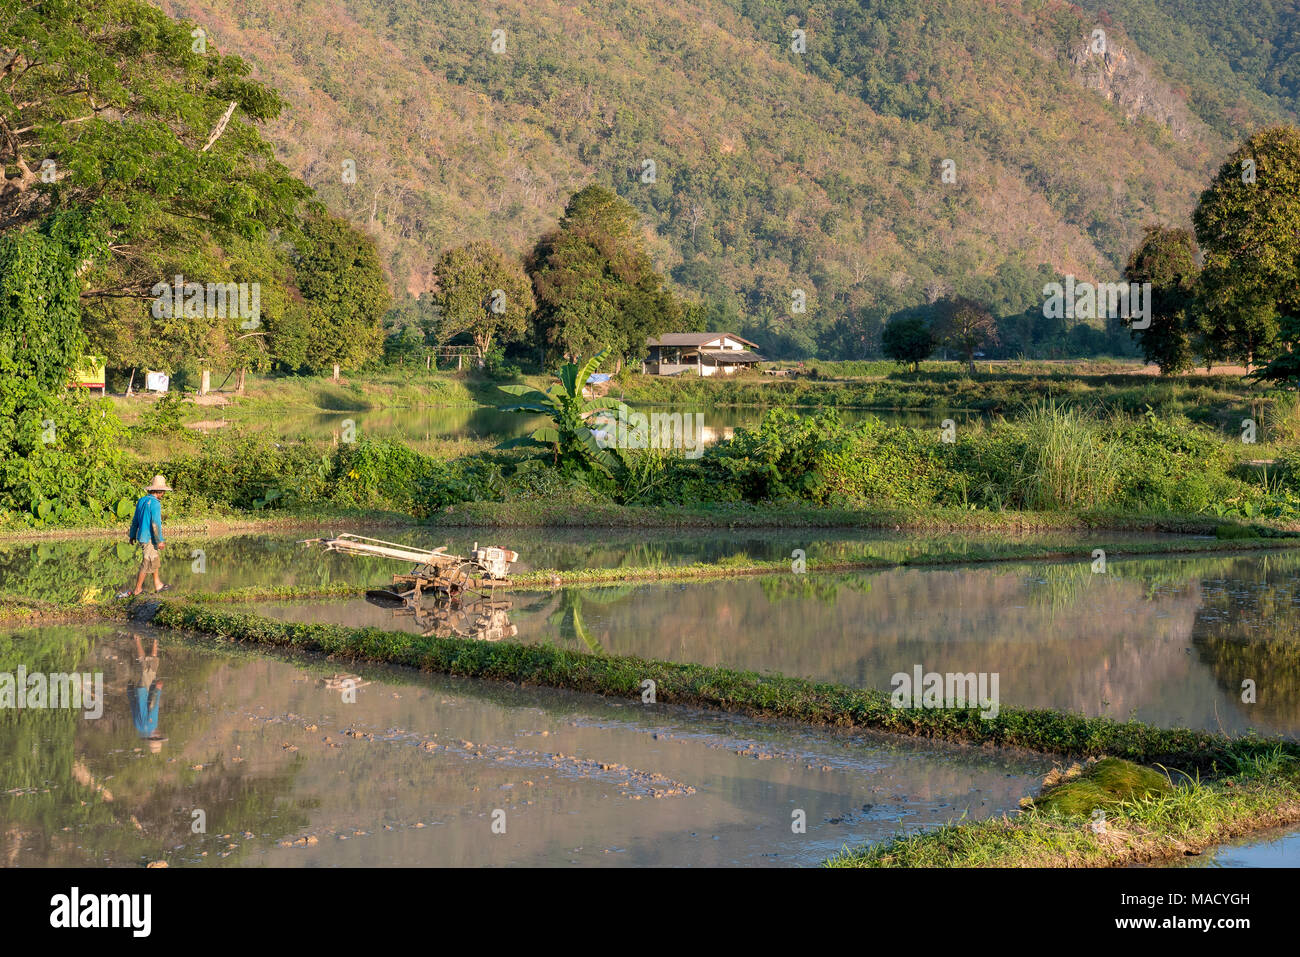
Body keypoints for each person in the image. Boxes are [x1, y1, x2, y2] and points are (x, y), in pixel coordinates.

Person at [127, 474, 171, 596]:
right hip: (149, 537)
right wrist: (160, 540)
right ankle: (137, 589)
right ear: (160, 491)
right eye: (163, 492)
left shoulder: (141, 500)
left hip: (142, 535)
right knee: (147, 562)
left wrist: (132, 535)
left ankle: (158, 584)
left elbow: (135, 520)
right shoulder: (156, 504)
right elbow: (155, 524)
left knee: (154, 558)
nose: (163, 494)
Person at [128, 633, 166, 753]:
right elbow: (133, 707)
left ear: (154, 737)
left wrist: (158, 690)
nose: (160, 734)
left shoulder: (152, 725)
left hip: (146, 691)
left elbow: (153, 707)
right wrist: (129, 691)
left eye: (159, 737)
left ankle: (138, 638)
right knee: (151, 667)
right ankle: (154, 641)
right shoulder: (138, 726)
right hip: (140, 691)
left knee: (147, 666)